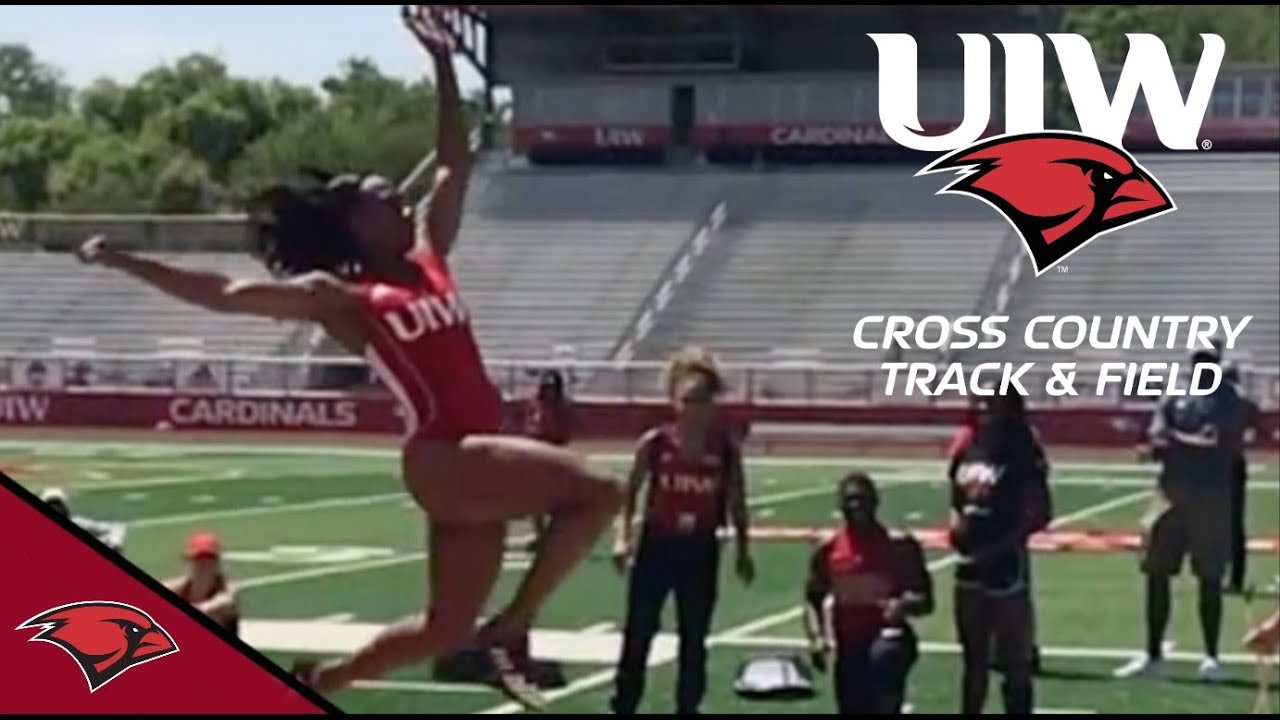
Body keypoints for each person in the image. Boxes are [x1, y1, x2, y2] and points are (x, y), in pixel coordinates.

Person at [73, 6, 620, 710]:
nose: (396, 193)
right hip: (447, 453)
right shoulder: (348, 296)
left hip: (470, 460)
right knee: (600, 493)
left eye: (393, 190)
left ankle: (316, 681)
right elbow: (227, 293)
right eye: (378, 195)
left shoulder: (429, 257)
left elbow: (455, 160)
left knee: (441, 626)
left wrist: (445, 62)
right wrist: (123, 260)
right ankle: (511, 628)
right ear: (355, 226)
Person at [609, 347, 754, 715]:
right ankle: (624, 704)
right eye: (687, 400)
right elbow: (630, 492)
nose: (694, 409)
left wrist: (742, 550)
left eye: (702, 401)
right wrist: (623, 538)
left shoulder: (723, 450)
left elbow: (737, 500)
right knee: (639, 631)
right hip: (658, 544)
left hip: (700, 549)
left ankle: (688, 706)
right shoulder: (656, 444)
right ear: (675, 402)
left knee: (694, 636)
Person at [1114, 350, 1245, 683]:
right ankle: (1153, 653)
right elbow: (1158, 433)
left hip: (1210, 498)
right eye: (1197, 362)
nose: (1201, 368)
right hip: (1169, 494)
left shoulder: (1229, 400)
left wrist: (1174, 440)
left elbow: (1215, 442)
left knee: (1210, 578)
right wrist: (1158, 445)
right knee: (1156, 572)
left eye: (1207, 362)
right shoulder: (1175, 394)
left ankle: (1211, 656)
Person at [949, 391, 1051, 715]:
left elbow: (1040, 512)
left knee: (1013, 660)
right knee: (973, 660)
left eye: (994, 408)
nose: (987, 414)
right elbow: (955, 496)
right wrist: (955, 527)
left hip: (1005, 565)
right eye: (983, 408)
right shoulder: (969, 450)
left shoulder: (1021, 453)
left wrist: (1002, 545)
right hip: (968, 564)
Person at [804, 472, 933, 715]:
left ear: (875, 502)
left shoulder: (899, 545)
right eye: (850, 500)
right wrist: (816, 638)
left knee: (884, 658)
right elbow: (813, 597)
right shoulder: (828, 550)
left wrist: (902, 604)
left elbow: (925, 600)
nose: (856, 506)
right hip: (850, 645)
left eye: (862, 499)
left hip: (888, 637)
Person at [523, 369, 574, 548]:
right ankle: (541, 535)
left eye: (553, 387)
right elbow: (529, 424)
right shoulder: (534, 403)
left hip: (553, 453)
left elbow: (566, 431)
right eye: (547, 386)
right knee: (533, 498)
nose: (549, 390)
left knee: (555, 499)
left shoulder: (563, 406)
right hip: (535, 452)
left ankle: (558, 534)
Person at [1223, 361, 1262, 594]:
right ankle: (1233, 577)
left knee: (1226, 523)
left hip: (1222, 464)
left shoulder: (1229, 402)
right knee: (1233, 523)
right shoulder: (1239, 402)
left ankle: (1228, 576)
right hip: (1233, 463)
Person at [164, 531, 240, 635]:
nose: (203, 565)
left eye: (209, 559)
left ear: (217, 563)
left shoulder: (227, 590)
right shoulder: (181, 587)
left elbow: (219, 603)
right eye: (198, 559)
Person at [41, 487, 127, 553]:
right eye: (51, 505)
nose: (55, 509)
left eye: (58, 505)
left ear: (65, 508)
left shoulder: (78, 523)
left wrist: (113, 543)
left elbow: (116, 527)